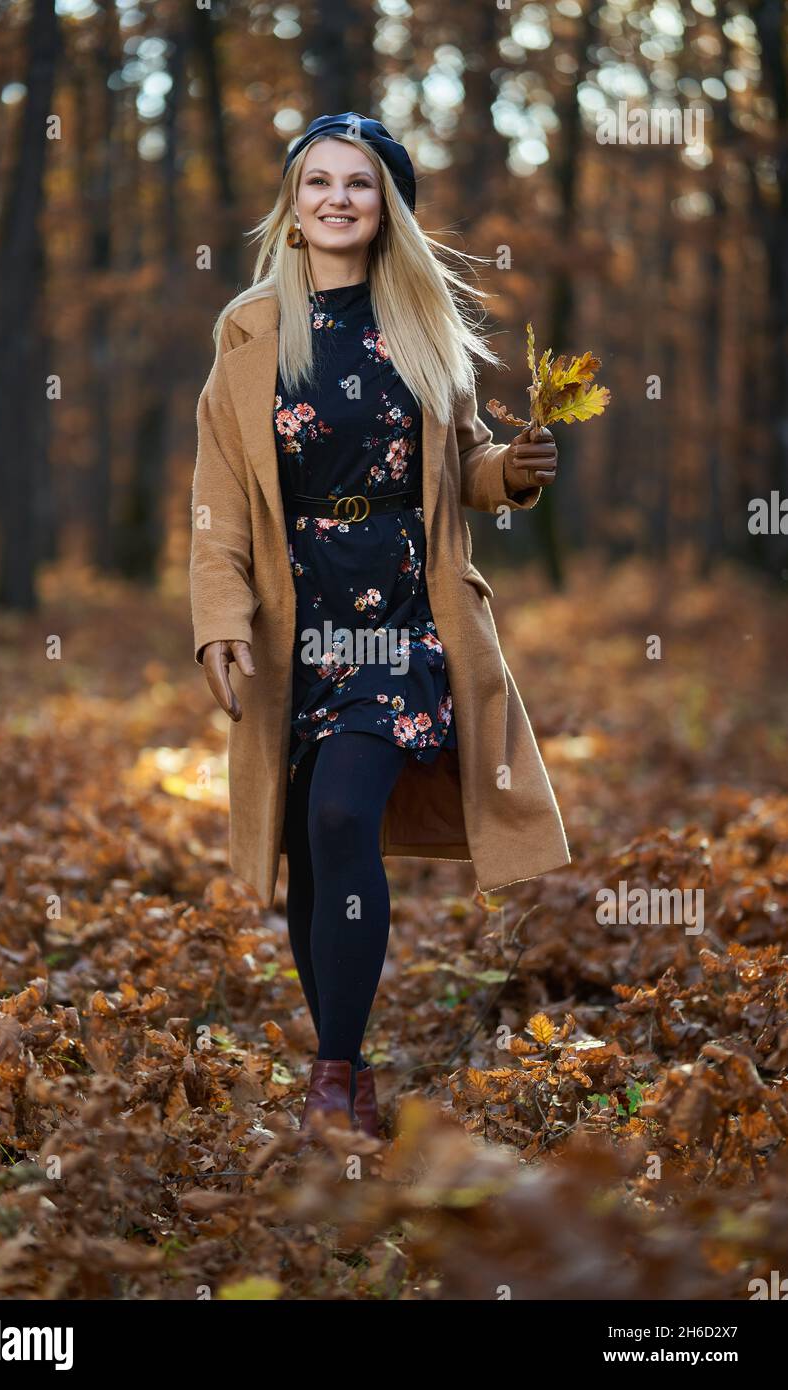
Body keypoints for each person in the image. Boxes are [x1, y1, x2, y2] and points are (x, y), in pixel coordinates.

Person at [190, 112, 570, 1139]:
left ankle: (331, 1074)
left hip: (403, 605)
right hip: (292, 612)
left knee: (340, 814)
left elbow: (464, 466)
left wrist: (511, 476)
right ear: (292, 203)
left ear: (386, 204)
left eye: (359, 184)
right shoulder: (252, 327)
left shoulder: (424, 319)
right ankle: (344, 1066)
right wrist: (220, 619)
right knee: (311, 853)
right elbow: (220, 499)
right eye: (317, 182)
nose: (337, 200)